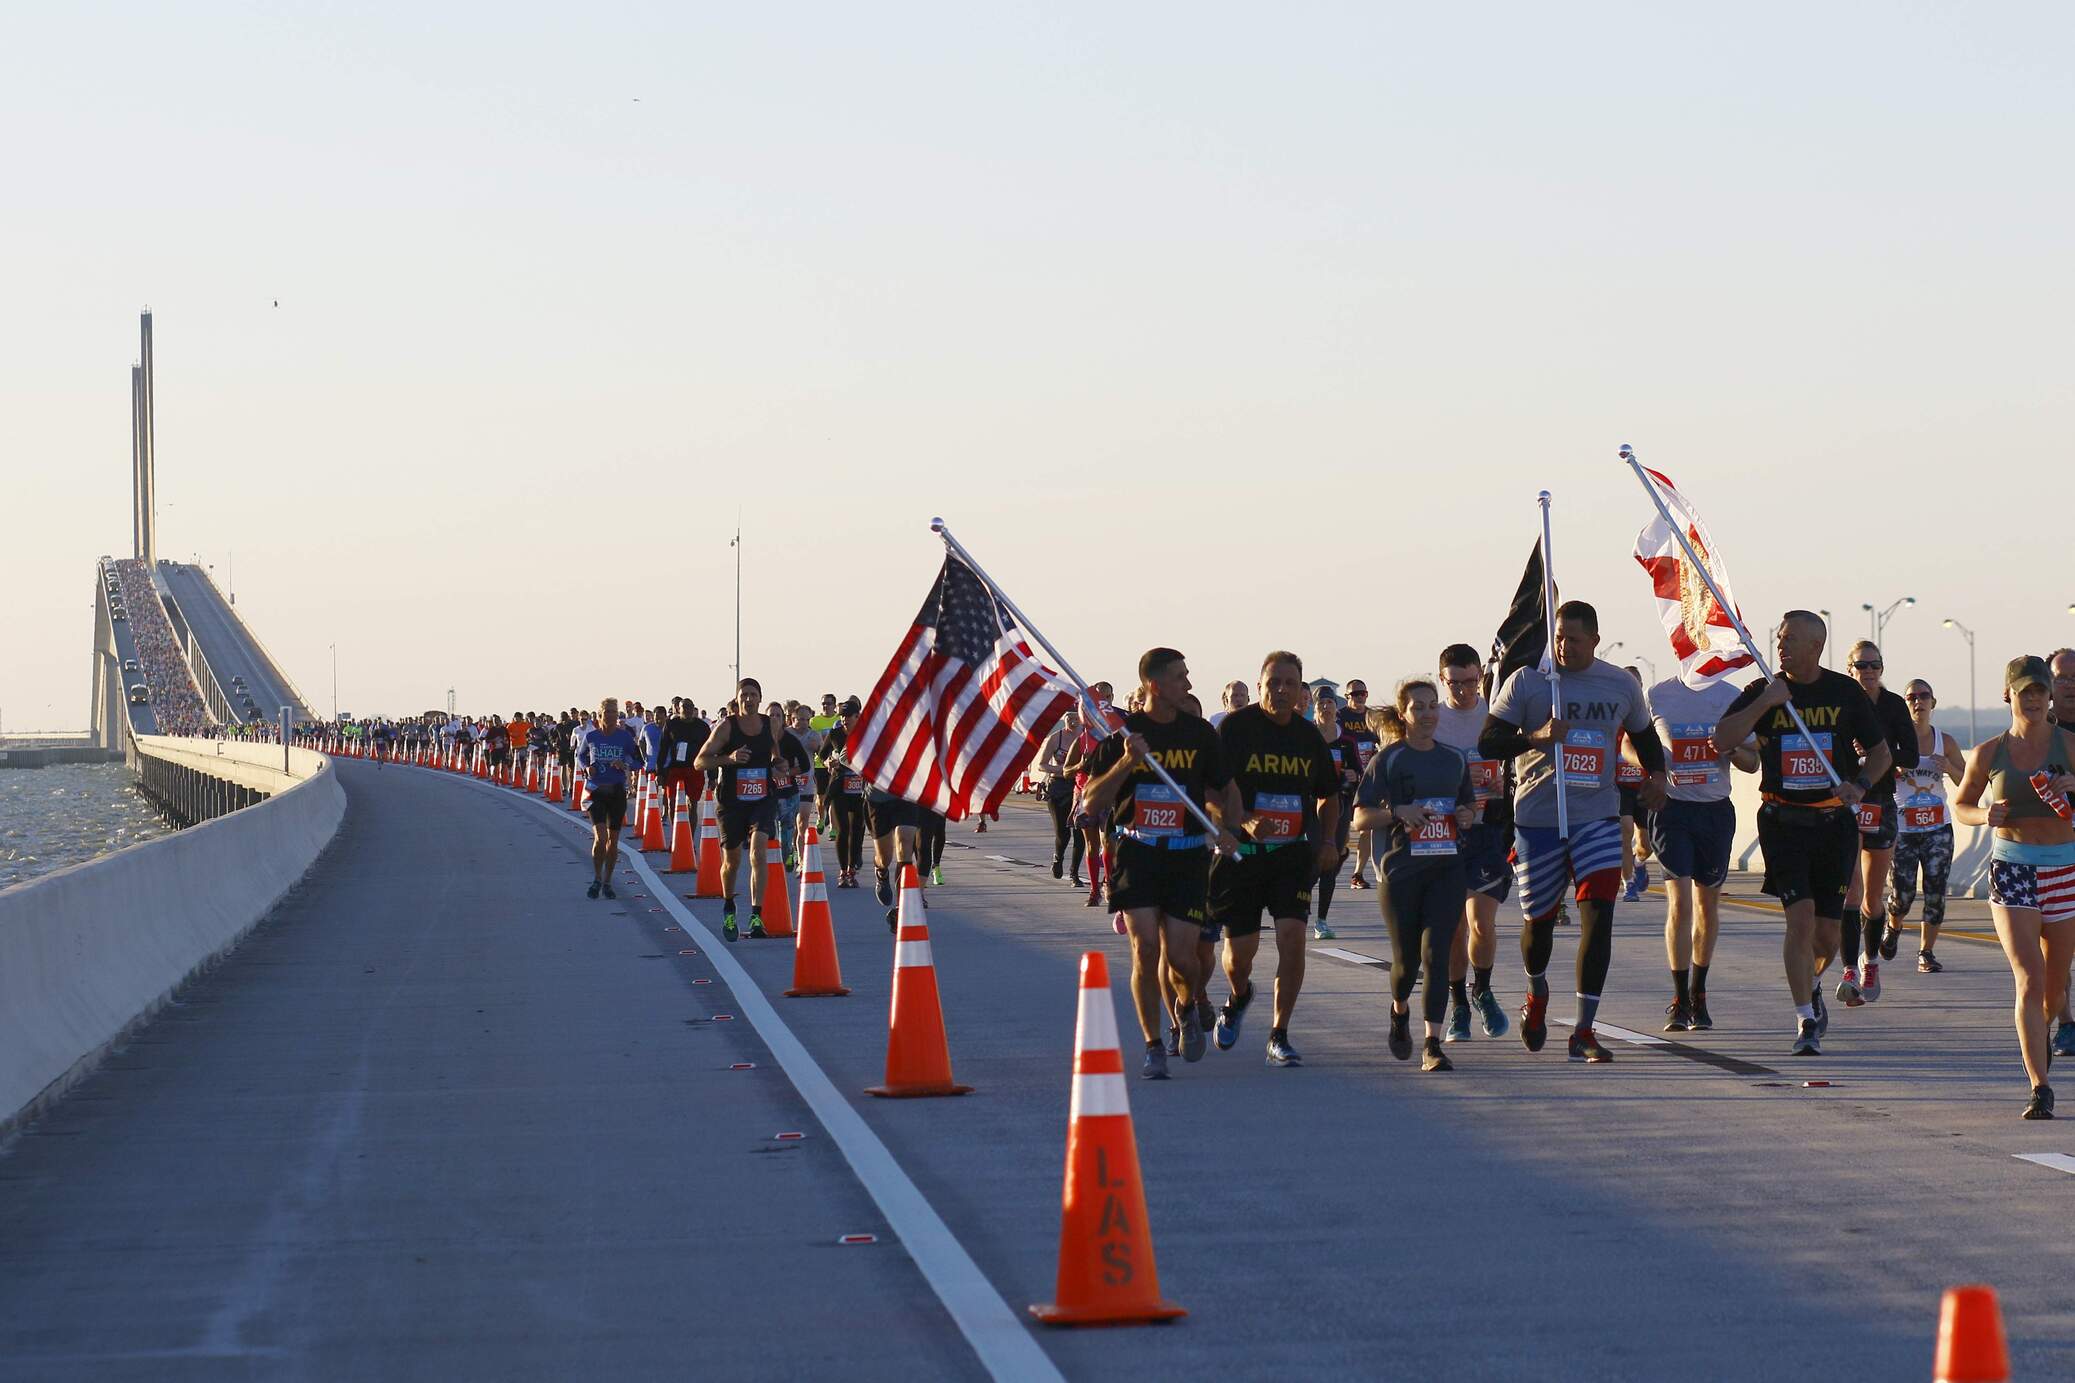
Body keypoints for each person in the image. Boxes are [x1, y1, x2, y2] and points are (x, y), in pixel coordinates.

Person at [1479, 601, 1668, 1063]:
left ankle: (1584, 1030)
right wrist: (1535, 738)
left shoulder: (1619, 683)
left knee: (1598, 916)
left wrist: (1657, 777)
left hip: (1597, 816)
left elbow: (1643, 737)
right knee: (1538, 923)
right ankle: (1536, 991)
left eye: (1574, 639)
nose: (1564, 646)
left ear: (1596, 641)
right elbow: (1488, 741)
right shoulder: (1528, 681)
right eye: (1559, 636)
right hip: (1538, 818)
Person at [1715, 611, 1891, 1056]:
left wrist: (1860, 785)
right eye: (1779, 638)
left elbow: (1881, 753)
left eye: (1790, 638)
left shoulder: (1844, 691)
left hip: (1833, 823)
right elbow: (1721, 738)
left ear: (1816, 645)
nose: (1781, 645)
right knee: (1800, 918)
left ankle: (1811, 985)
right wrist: (1763, 705)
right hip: (1783, 820)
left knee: (1828, 935)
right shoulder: (1765, 691)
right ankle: (1804, 1020)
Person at [1082, 650, 1239, 1079]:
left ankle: (1188, 1006)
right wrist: (1127, 763)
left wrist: (1226, 827)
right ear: (1155, 685)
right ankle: (1153, 1044)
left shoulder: (1200, 733)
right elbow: (1092, 801)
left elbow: (1223, 791)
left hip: (1188, 854)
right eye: (1179, 677)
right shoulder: (1125, 736)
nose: (1188, 684)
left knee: (1182, 959)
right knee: (1144, 949)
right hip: (1138, 852)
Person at [1951, 656, 2075, 1119]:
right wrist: (1985, 815)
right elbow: (1961, 804)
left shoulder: (2067, 743)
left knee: (2054, 990)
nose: (2036, 699)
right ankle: (2039, 1087)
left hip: (2064, 869)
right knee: (2029, 977)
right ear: (2009, 696)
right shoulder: (1989, 753)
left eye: (2041, 690)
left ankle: (2038, 1035)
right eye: (2026, 691)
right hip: (2013, 868)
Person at [1210, 651, 1342, 1067]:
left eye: (1290, 683)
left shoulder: (1307, 737)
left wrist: (1327, 842)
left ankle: (1279, 1033)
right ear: (1260, 684)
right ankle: (1239, 995)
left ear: (1301, 690)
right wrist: (1242, 820)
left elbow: (1328, 795)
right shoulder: (1236, 728)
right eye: (1274, 683)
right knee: (1239, 953)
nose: (1282, 691)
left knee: (1292, 937)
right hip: (1242, 857)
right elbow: (1209, 791)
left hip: (1291, 856)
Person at [1352, 678, 1476, 1072]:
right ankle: (1399, 1009)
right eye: (1418, 707)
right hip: (1401, 871)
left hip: (1446, 867)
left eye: (1432, 706)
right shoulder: (1388, 760)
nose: (1427, 714)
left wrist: (1465, 816)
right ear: (1403, 715)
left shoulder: (1454, 759)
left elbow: (1469, 807)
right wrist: (1396, 813)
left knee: (1437, 955)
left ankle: (1432, 1044)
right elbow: (1359, 818)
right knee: (1406, 963)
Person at [1644, 666, 1758, 1031]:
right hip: (1672, 809)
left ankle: (1699, 993)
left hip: (1715, 811)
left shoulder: (1731, 697)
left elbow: (1752, 762)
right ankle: (1678, 999)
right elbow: (1629, 743)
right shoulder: (1657, 695)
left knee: (1707, 904)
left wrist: (1730, 748)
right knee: (1679, 902)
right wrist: (1653, 770)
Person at [1834, 640, 1920, 1006]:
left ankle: (1871, 963)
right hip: (1847, 802)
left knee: (1871, 897)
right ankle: (1849, 971)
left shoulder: (1893, 705)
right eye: (1861, 665)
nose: (1869, 671)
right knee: (1850, 893)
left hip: (1881, 802)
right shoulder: (1841, 702)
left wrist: (1877, 752)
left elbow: (1911, 754)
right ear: (1850, 668)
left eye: (1875, 665)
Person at [1434, 644, 1511, 1040]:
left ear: (1481, 675)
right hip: (1444, 836)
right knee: (1452, 928)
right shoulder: (1432, 720)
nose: (1463, 691)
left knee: (1481, 923)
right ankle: (1458, 1006)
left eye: (1470, 681)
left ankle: (1481, 989)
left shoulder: (1496, 715)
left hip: (1487, 832)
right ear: (1441, 680)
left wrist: (1505, 784)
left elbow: (1519, 759)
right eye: (1454, 683)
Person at [693, 678, 783, 942]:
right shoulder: (726, 727)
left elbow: (775, 750)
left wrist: (779, 762)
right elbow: (700, 762)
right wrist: (728, 759)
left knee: (758, 852)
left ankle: (756, 915)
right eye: (744, 695)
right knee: (731, 862)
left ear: (760, 698)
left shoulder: (771, 724)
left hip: (762, 798)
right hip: (731, 802)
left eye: (753, 695)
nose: (748, 699)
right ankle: (729, 906)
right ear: (737, 699)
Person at [1886, 679, 1963, 977]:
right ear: (1905, 704)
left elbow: (1966, 781)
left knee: (1935, 894)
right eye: (1911, 697)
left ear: (1933, 702)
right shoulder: (1894, 742)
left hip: (1937, 830)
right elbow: (1872, 773)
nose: (1918, 701)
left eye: (1924, 696)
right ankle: (1893, 927)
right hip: (1903, 830)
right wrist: (1893, 770)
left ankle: (1926, 952)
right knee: (1902, 895)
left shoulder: (1946, 741)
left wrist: (1949, 766)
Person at [576, 698, 644, 899]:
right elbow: (581, 756)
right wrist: (587, 767)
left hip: (616, 792)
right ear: (599, 716)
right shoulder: (591, 736)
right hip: (596, 791)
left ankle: (607, 881)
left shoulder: (625, 738)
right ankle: (597, 878)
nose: (611, 715)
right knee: (601, 837)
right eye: (607, 712)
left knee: (613, 841)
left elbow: (639, 761)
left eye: (614, 712)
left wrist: (624, 763)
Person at [1309, 688, 1363, 940]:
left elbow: (1358, 772)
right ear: (1314, 706)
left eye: (1330, 703)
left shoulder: (1347, 740)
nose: (1326, 708)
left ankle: (1321, 921)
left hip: (1338, 806)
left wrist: (1352, 776)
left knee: (1331, 859)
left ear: (1336, 707)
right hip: (1309, 807)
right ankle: (1294, 908)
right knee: (1311, 861)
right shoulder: (1305, 735)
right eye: (1321, 703)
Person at [1616, 667, 1656, 902]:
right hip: (1620, 786)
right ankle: (1628, 884)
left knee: (1646, 844)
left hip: (1644, 786)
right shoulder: (1614, 715)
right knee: (1625, 829)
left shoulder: (1648, 718)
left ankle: (1639, 863)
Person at [821, 699, 869, 888]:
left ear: (858, 717)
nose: (844, 719)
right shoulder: (834, 734)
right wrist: (828, 763)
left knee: (857, 829)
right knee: (843, 829)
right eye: (842, 716)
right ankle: (842, 871)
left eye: (848, 716)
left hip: (860, 788)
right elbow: (822, 754)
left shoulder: (866, 735)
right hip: (840, 785)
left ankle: (852, 870)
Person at [1340, 680, 1380, 889]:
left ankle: (1358, 873)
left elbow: (1383, 743)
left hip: (1368, 779)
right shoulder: (1340, 717)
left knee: (1366, 828)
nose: (1359, 698)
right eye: (1355, 694)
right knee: (1342, 830)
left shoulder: (1373, 717)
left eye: (1362, 693)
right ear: (1347, 697)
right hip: (1346, 780)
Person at [1035, 706, 1081, 878]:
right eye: (1069, 717)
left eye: (1076, 717)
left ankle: (1074, 874)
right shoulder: (1056, 738)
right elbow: (1041, 764)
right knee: (1063, 833)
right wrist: (1060, 769)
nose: (1073, 721)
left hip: (1080, 787)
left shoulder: (1086, 736)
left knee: (1080, 832)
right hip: (1059, 787)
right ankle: (1058, 858)